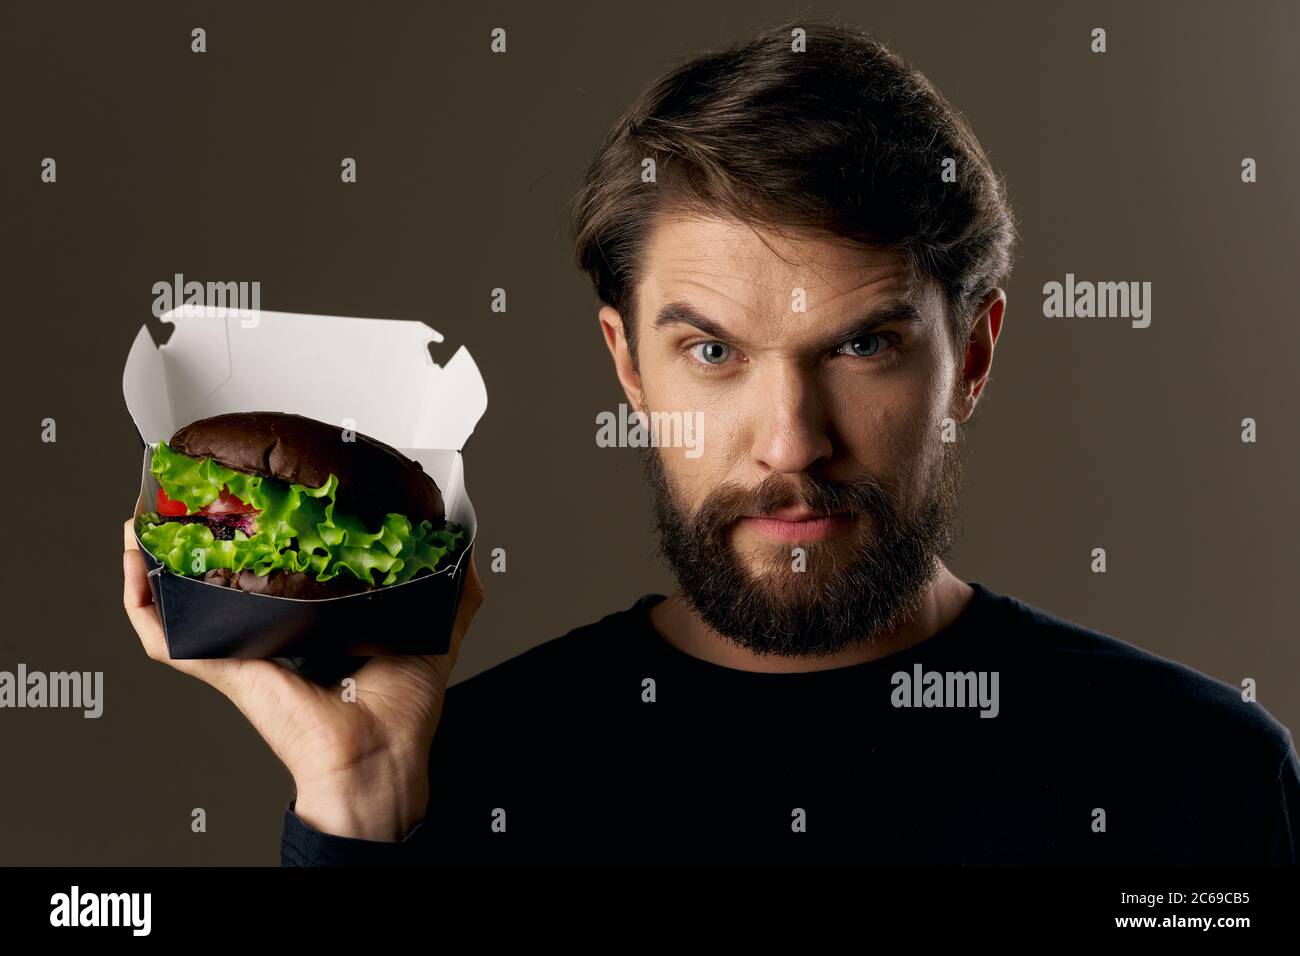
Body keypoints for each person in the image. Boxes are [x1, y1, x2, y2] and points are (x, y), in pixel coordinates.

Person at [122, 20, 1298, 866]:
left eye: (862, 346)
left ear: (973, 358)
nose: (789, 442)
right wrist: (361, 800)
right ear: (627, 364)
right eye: (713, 352)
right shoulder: (458, 776)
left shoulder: (1195, 776)